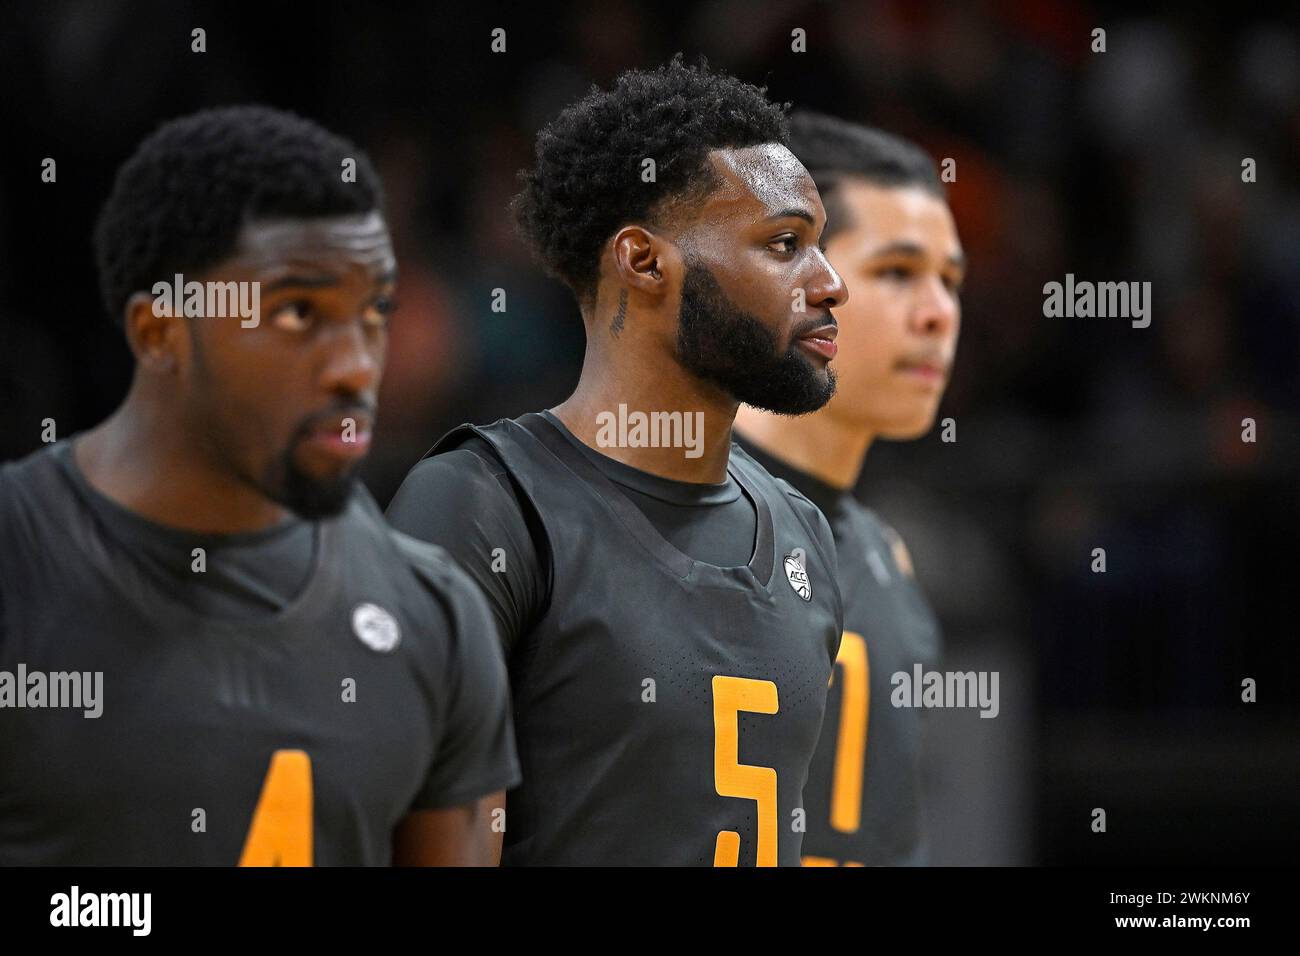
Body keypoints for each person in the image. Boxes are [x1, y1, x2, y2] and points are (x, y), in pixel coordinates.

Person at [0, 105, 518, 866]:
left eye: (374, 313)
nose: (354, 365)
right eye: (299, 311)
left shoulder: (433, 618)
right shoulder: (19, 560)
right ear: (161, 332)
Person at [388, 57, 850, 866]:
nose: (831, 282)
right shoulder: (481, 509)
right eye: (785, 244)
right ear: (642, 262)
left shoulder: (805, 533)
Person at [735, 111, 964, 865]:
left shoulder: (888, 561)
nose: (937, 314)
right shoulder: (658, 513)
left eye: (951, 280)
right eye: (897, 272)